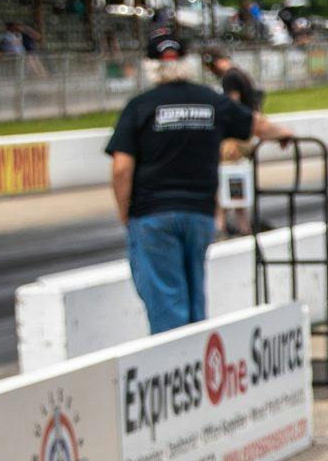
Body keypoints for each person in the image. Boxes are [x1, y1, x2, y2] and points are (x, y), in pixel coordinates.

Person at [106, 33, 290, 334]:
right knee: (194, 300)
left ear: (151, 66)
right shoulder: (209, 100)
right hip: (200, 213)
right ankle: (196, 369)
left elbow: (121, 168)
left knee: (167, 304)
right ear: (187, 64)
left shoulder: (140, 106)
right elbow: (256, 123)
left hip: (153, 213)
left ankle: (172, 371)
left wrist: (124, 210)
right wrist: (284, 133)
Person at [206, 48, 266, 234]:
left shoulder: (229, 78)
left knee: (225, 180)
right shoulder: (240, 74)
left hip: (235, 139)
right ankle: (242, 225)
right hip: (248, 135)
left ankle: (221, 225)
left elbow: (232, 108)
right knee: (234, 180)